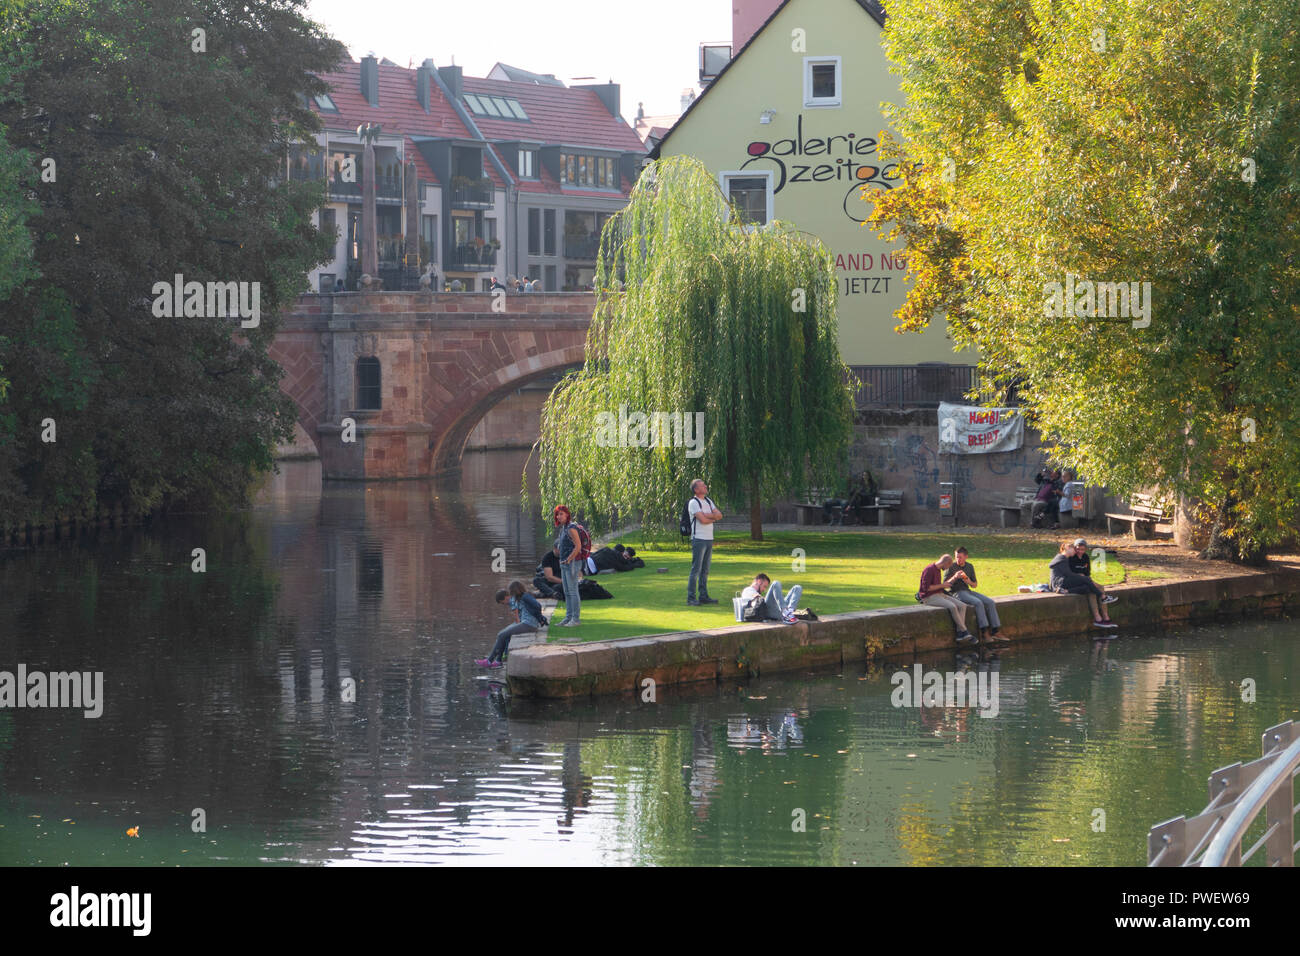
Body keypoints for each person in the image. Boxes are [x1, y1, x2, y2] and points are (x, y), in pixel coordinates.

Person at [1049, 541, 1117, 633]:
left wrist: (1083, 577)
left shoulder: (1067, 558)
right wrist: (1081, 577)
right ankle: (1102, 597)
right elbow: (1068, 574)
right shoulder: (1062, 558)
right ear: (1066, 548)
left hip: (1062, 584)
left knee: (1087, 587)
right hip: (1060, 583)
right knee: (1086, 580)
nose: (1075, 551)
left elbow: (1079, 573)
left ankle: (1066, 591)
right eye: (1073, 549)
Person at [944, 546, 1008, 643]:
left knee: (990, 602)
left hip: (968, 591)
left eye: (960, 557)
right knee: (978, 602)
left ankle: (996, 631)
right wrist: (954, 577)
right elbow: (945, 585)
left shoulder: (969, 567)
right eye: (956, 557)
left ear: (966, 557)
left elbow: (974, 585)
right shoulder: (951, 567)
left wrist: (968, 581)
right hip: (957, 592)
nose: (958, 559)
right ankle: (984, 632)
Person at [477, 581, 545, 668]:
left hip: (529, 624)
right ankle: (498, 661)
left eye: (511, 591)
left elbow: (537, 606)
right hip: (526, 622)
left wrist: (538, 617)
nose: (510, 594)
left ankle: (490, 661)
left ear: (514, 590)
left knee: (502, 635)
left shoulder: (523, 597)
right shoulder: (522, 597)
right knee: (502, 634)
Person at [917, 554, 976, 645]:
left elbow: (942, 585)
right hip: (928, 597)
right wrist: (942, 585)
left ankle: (960, 634)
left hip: (939, 594)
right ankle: (964, 631)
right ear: (946, 563)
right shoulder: (929, 570)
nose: (948, 568)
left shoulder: (937, 570)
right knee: (952, 606)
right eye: (949, 565)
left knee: (962, 605)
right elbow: (926, 588)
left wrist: (954, 577)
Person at [686, 479, 722, 605]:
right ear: (696, 489)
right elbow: (703, 520)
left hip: (709, 538)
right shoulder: (693, 502)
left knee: (705, 570)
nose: (706, 486)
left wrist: (709, 516)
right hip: (699, 539)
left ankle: (703, 596)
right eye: (702, 485)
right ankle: (691, 598)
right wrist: (712, 516)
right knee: (696, 569)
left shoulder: (708, 501)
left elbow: (720, 515)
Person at [552, 505, 583, 625]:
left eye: (561, 514)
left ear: (567, 514)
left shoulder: (571, 528)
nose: (559, 517)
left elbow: (578, 546)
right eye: (557, 514)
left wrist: (569, 559)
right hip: (564, 563)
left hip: (572, 563)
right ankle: (568, 617)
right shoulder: (564, 528)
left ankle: (575, 619)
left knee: (573, 591)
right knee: (567, 591)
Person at [1069, 538, 1117, 604]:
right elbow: (1069, 572)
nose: (1080, 551)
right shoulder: (1071, 557)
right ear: (1074, 548)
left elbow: (1087, 572)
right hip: (1075, 580)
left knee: (1100, 586)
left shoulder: (1085, 557)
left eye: (1082, 549)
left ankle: (1105, 613)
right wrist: (1080, 575)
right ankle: (1098, 611)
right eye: (1078, 549)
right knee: (1092, 588)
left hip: (1085, 579)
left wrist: (1086, 578)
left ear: (1085, 549)